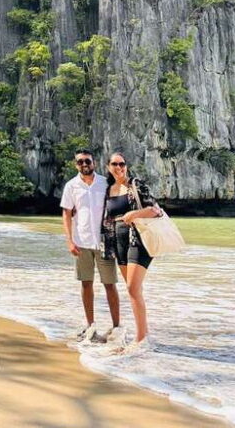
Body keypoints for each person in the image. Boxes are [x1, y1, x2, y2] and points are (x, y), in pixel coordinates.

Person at [100, 151, 162, 356]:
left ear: (126, 166)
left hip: (138, 238)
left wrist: (134, 214)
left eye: (122, 164)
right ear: (108, 167)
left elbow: (155, 210)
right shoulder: (108, 190)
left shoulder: (136, 184)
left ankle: (141, 339)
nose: (119, 167)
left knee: (132, 288)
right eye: (114, 164)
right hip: (118, 241)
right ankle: (144, 334)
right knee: (134, 291)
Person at [60, 149, 123, 344]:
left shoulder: (105, 183)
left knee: (110, 284)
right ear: (75, 165)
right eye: (80, 162)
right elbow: (67, 214)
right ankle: (91, 326)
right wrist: (69, 240)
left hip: (104, 241)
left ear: (94, 162)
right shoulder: (71, 186)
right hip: (81, 242)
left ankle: (116, 327)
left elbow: (118, 206)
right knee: (86, 284)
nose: (84, 164)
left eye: (87, 161)